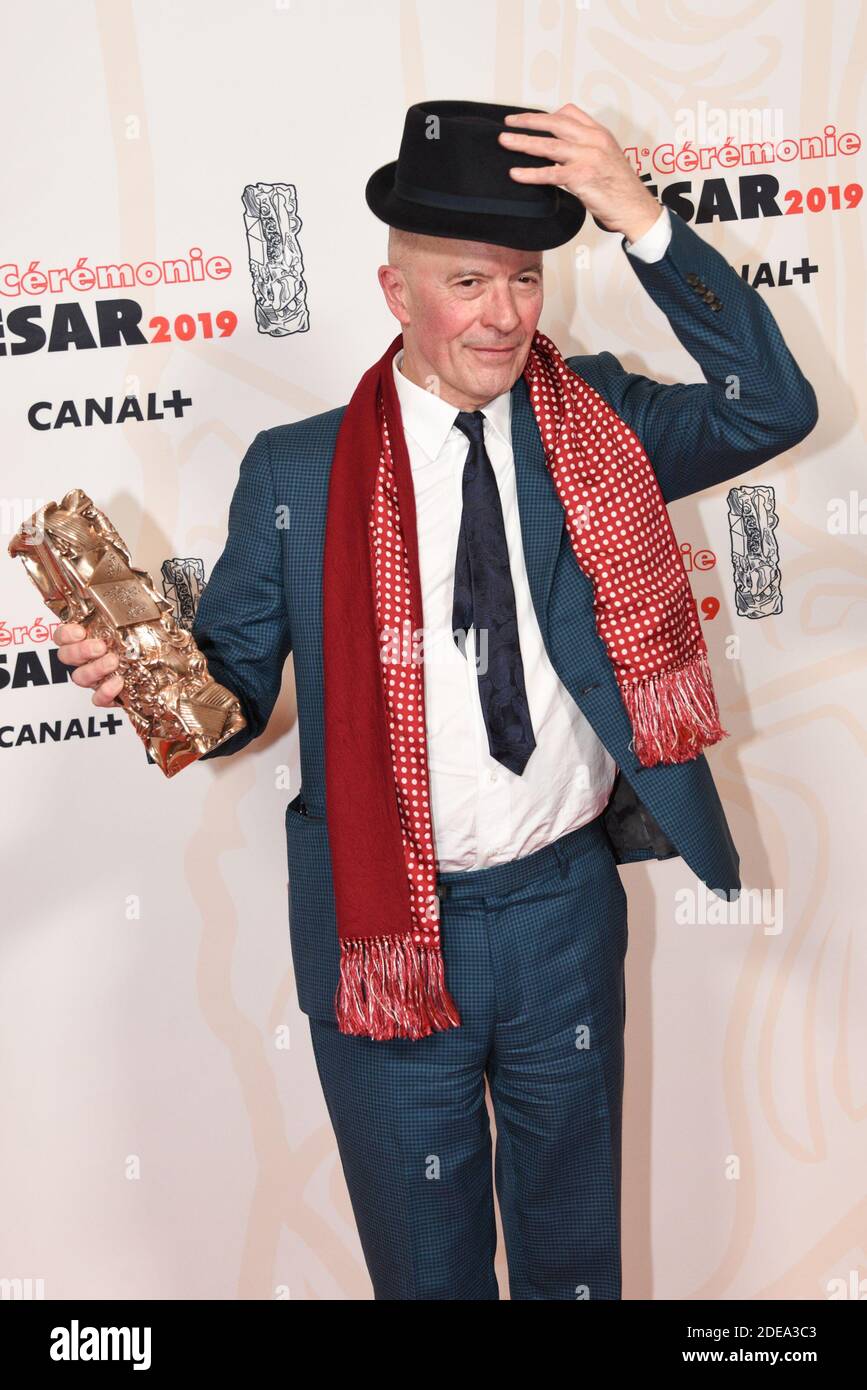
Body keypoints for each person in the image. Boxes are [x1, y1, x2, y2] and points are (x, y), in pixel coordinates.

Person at [53, 100, 818, 1300]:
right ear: (396, 291)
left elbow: (772, 406)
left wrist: (644, 224)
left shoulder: (602, 423)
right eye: (470, 281)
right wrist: (153, 688)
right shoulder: (298, 470)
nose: (507, 315)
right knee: (426, 1277)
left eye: (525, 279)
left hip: (562, 910)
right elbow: (236, 700)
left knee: (576, 1266)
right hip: (384, 935)